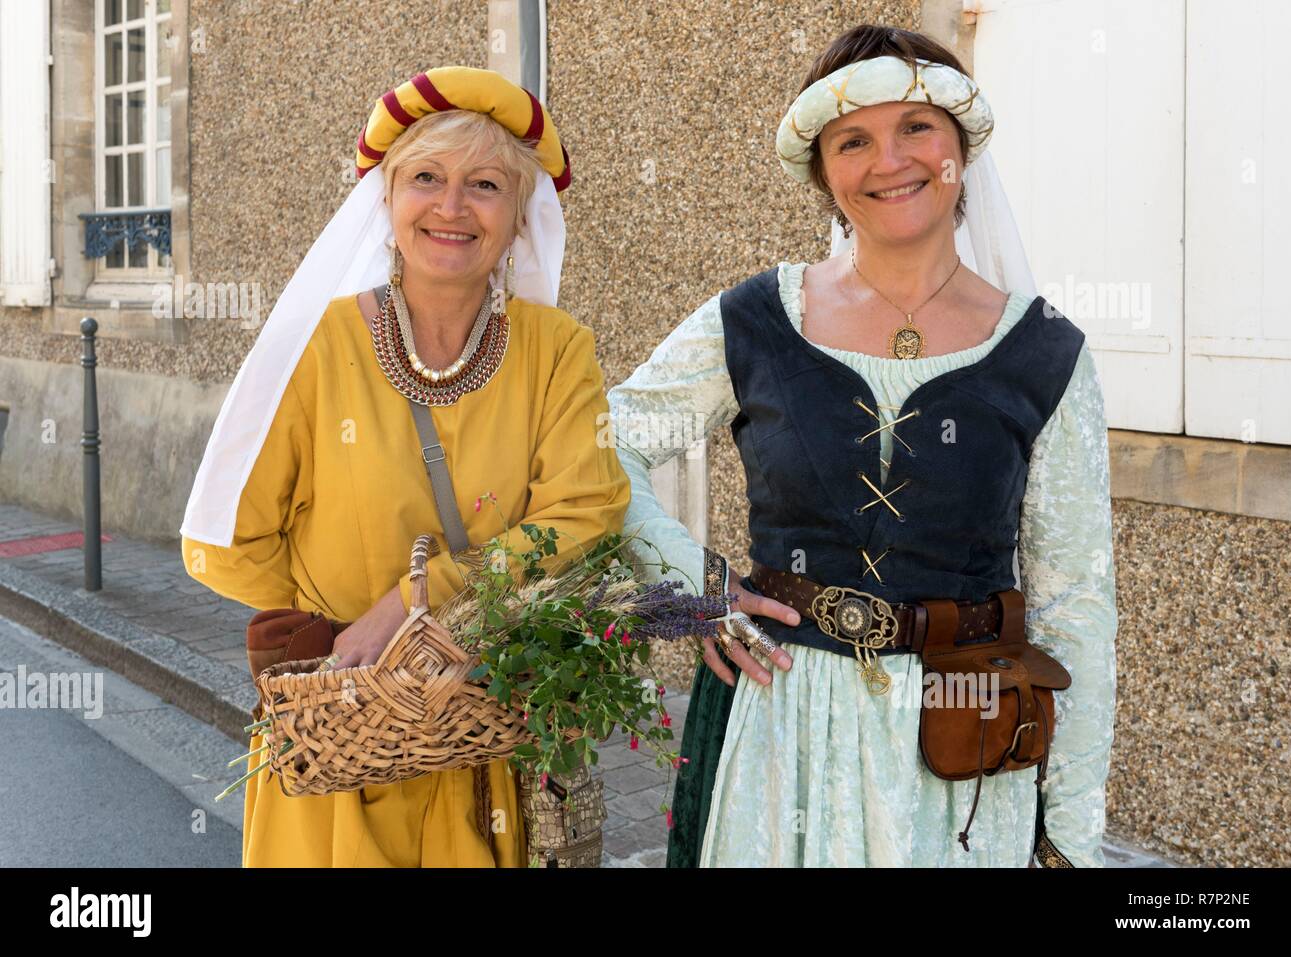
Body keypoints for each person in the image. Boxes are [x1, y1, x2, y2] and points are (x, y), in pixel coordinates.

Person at [606, 24, 1117, 867]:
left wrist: (1069, 837)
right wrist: (693, 589)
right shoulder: (754, 322)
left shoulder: (1046, 353)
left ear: (961, 149)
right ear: (822, 173)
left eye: (915, 127)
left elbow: (1077, 609)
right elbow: (607, 444)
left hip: (962, 745)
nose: (889, 160)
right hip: (783, 725)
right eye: (853, 140)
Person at [179, 67, 630, 867]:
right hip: (344, 749)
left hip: (482, 737)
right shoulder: (316, 347)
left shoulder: (559, 350)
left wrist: (413, 604)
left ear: (519, 216)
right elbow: (228, 532)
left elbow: (585, 509)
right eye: (426, 178)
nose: (452, 206)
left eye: (485, 184)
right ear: (387, 203)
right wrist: (331, 627)